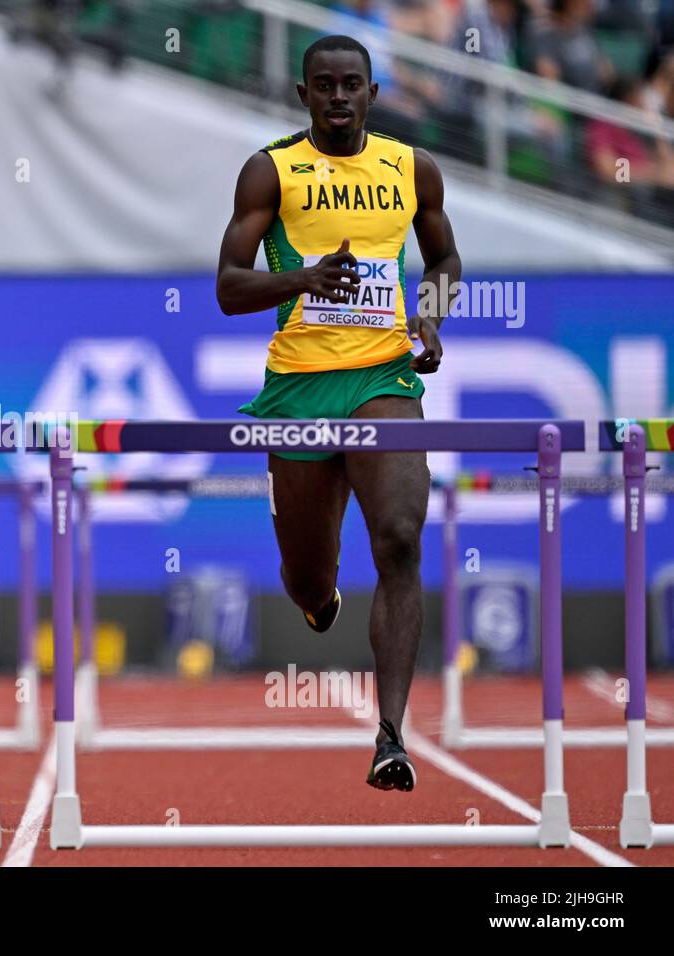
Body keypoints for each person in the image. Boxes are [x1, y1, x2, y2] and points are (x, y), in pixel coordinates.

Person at [216, 35, 461, 792]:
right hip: (298, 387)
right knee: (306, 575)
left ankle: (391, 737)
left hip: (384, 375)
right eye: (324, 85)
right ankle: (319, 599)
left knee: (399, 539)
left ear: (373, 93)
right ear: (304, 94)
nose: (339, 98)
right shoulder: (271, 170)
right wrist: (304, 281)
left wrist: (430, 316)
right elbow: (228, 286)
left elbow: (444, 261)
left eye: (352, 85)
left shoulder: (411, 167)